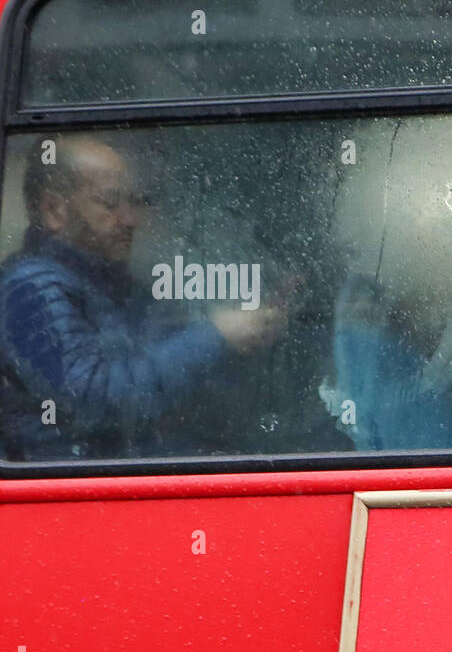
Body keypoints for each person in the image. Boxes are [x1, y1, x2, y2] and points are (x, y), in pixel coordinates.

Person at [0, 134, 285, 460]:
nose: (131, 219)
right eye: (109, 202)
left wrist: (246, 331)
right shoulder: (32, 289)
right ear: (54, 210)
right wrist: (215, 336)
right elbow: (92, 401)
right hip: (71, 489)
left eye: (134, 202)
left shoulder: (109, 285)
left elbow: (160, 363)